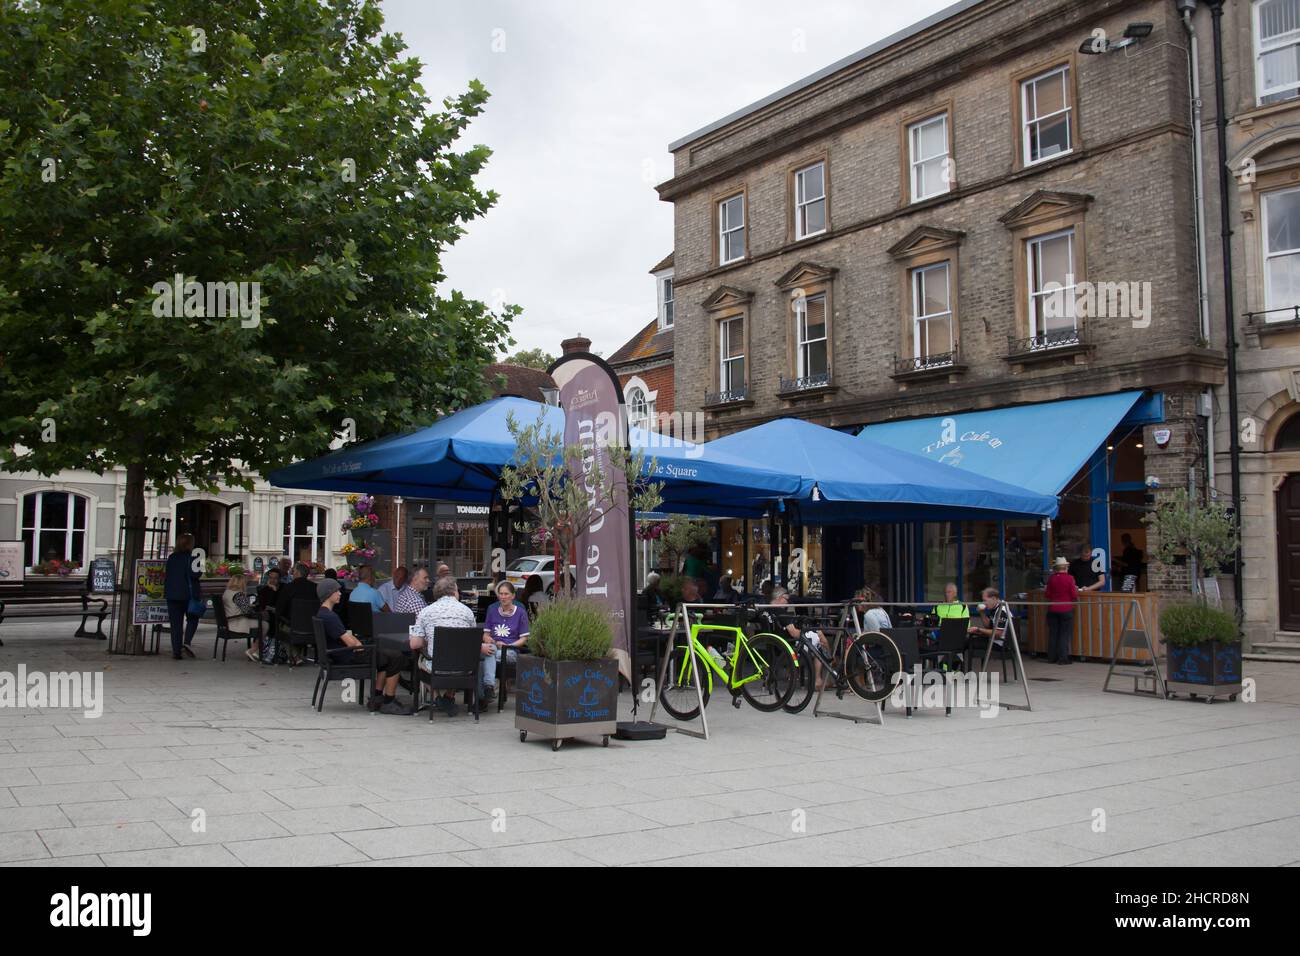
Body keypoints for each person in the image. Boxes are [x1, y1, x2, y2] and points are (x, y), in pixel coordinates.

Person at [315, 578, 410, 715]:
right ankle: (389, 702)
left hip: (338, 654)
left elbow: (344, 634)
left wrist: (358, 643)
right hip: (347, 656)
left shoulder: (323, 614)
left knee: (386, 656)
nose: (340, 594)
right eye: (337, 591)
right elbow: (351, 643)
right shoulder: (330, 617)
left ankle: (377, 697)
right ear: (329, 594)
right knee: (397, 657)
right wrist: (359, 644)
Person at [411, 575, 494, 717]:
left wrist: (428, 640)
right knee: (457, 655)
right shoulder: (467, 612)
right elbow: (472, 641)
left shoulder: (426, 611)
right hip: (464, 668)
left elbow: (415, 644)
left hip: (437, 667)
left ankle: (437, 697)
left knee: (421, 661)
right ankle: (449, 696)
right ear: (454, 591)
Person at [482, 580, 530, 703]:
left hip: (511, 650)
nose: (503, 597)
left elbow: (524, 638)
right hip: (494, 647)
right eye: (501, 594)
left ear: (513, 596)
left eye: (506, 594)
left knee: (486, 656)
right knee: (489, 652)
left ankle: (488, 688)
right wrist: (489, 639)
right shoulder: (492, 611)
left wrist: (508, 645)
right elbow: (485, 634)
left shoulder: (520, 613)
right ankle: (488, 689)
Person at [163, 533, 203, 660]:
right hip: (189, 594)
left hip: (172, 594)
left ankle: (176, 651)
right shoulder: (195, 556)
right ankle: (187, 642)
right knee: (193, 617)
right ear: (190, 544)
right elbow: (196, 575)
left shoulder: (172, 557)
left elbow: (168, 574)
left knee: (175, 625)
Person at [276, 562, 320, 665]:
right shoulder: (315, 588)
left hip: (293, 627)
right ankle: (297, 656)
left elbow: (279, 609)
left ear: (298, 573)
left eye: (294, 571)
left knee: (279, 627)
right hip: (313, 627)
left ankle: (295, 656)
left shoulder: (288, 587)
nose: (292, 573)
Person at [222, 572, 264, 662]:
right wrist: (253, 608)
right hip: (238, 623)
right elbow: (247, 611)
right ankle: (253, 650)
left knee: (260, 623)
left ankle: (256, 649)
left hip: (229, 622)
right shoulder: (238, 594)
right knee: (265, 624)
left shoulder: (227, 592)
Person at [1045, 556, 1079, 665]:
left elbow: (1047, 594)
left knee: (1053, 633)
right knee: (1064, 634)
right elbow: (1074, 595)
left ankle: (1051, 657)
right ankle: (1063, 658)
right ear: (1066, 567)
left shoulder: (1051, 578)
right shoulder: (1070, 578)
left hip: (1052, 608)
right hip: (1066, 609)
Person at [256, 567, 282, 639]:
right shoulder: (263, 590)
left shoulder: (284, 588)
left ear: (279, 579)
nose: (272, 580)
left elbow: (281, 602)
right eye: (270, 578)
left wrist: (275, 591)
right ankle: (271, 642)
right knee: (269, 616)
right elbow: (263, 605)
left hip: (282, 613)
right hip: (269, 614)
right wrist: (273, 590)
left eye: (275, 578)